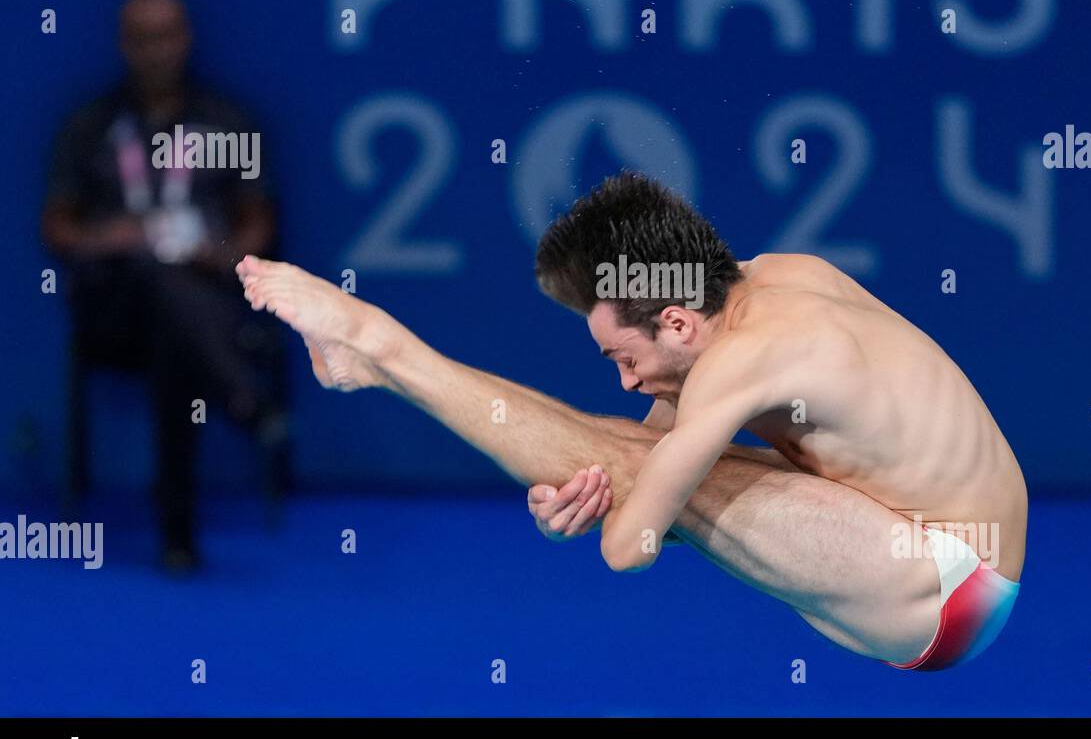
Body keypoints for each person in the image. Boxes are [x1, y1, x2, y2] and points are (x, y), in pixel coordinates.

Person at [235, 172, 1026, 669]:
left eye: (622, 353)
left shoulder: (744, 363)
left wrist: (590, 507)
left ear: (678, 322)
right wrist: (583, 488)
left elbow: (628, 549)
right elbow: (644, 447)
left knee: (634, 470)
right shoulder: (781, 277)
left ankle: (384, 351)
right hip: (934, 542)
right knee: (627, 458)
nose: (622, 375)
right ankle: (378, 355)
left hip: (942, 589)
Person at [40, 0, 292, 573]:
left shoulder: (228, 122)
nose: (156, 50)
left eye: (166, 35)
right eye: (142, 38)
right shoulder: (89, 125)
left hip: (204, 303)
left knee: (175, 324)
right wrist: (120, 236)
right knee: (157, 282)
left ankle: (180, 536)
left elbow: (259, 229)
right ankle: (243, 399)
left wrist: (213, 253)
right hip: (112, 312)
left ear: (186, 39)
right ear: (124, 45)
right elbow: (56, 229)